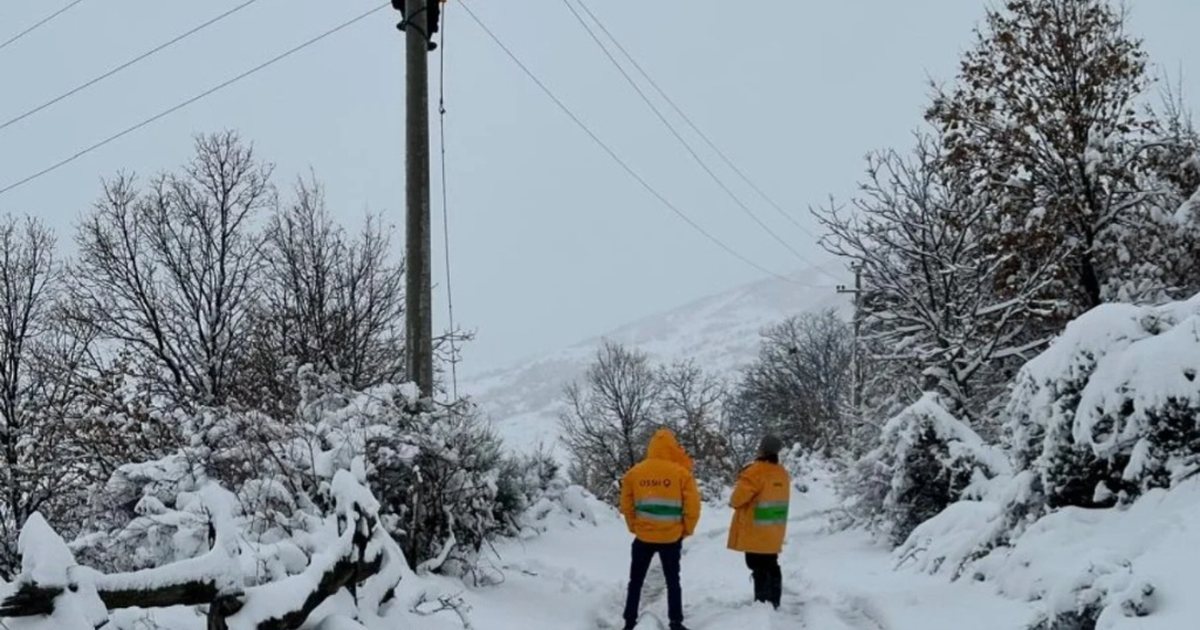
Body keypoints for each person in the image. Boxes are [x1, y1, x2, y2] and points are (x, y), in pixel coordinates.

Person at [619, 428, 701, 630]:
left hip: (643, 537)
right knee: (673, 582)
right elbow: (693, 507)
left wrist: (635, 527)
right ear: (672, 447)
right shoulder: (681, 473)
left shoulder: (635, 473)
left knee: (635, 581)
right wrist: (686, 529)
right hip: (671, 538)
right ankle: (676, 622)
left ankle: (629, 622)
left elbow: (626, 505)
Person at [727, 435, 790, 609]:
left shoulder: (755, 472)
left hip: (755, 529)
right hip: (774, 528)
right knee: (771, 563)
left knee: (756, 565)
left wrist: (733, 501)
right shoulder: (782, 473)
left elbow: (738, 498)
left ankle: (762, 601)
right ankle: (774, 599)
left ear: (762, 449)